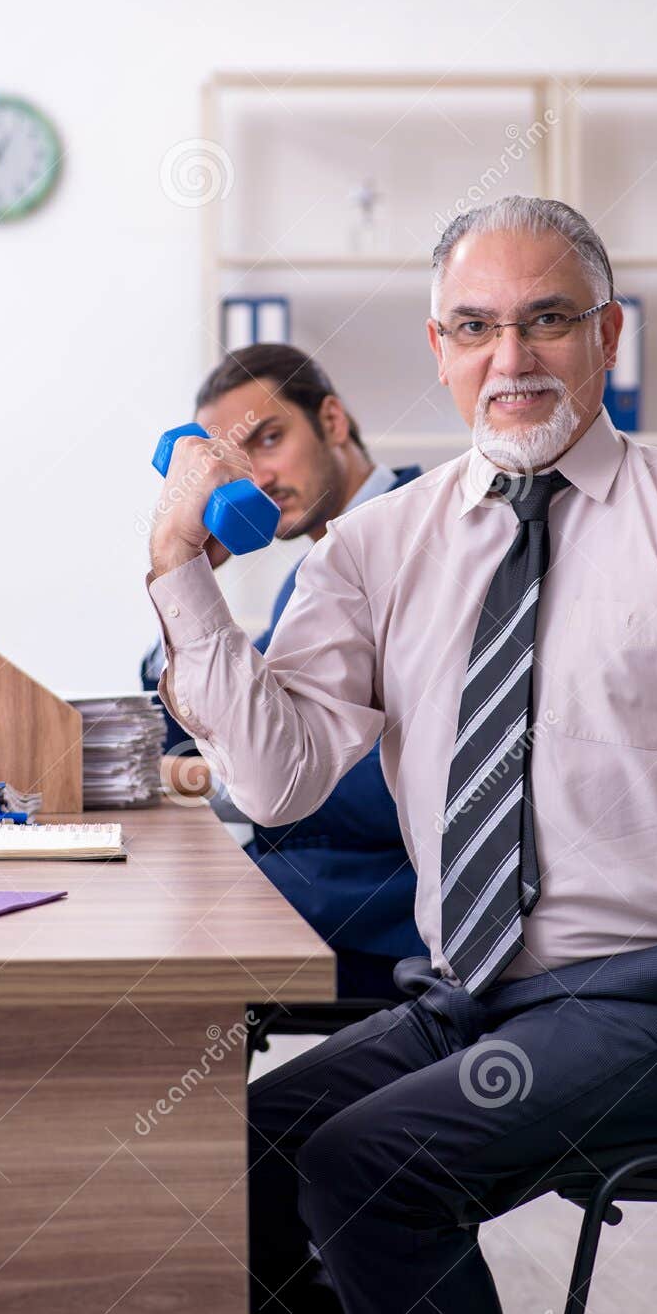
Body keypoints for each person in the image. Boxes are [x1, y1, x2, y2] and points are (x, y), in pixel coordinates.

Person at [143, 196, 657, 1314]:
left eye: (547, 321)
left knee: (371, 1166)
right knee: (209, 1166)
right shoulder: (371, 548)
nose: (512, 358)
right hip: (466, 996)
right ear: (438, 349)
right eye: (475, 326)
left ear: (607, 336)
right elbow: (275, 781)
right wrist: (179, 573)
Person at [141, 342, 425, 1000]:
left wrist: (219, 775)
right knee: (157, 906)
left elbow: (395, 783)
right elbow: (195, 730)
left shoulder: (415, 537)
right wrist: (189, 583)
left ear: (331, 421)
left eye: (269, 439)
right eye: (236, 464)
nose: (259, 477)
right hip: (322, 886)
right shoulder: (312, 571)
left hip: (388, 911)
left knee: (168, 936)